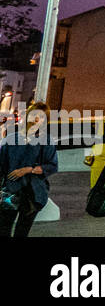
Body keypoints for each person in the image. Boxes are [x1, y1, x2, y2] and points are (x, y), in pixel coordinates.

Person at [0, 102, 58, 238]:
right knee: (3, 228)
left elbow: (52, 166)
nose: (37, 119)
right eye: (35, 115)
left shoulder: (46, 140)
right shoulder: (12, 138)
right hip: (10, 190)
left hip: (33, 193)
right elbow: (2, 166)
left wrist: (29, 170)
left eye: (42, 117)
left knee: (22, 230)